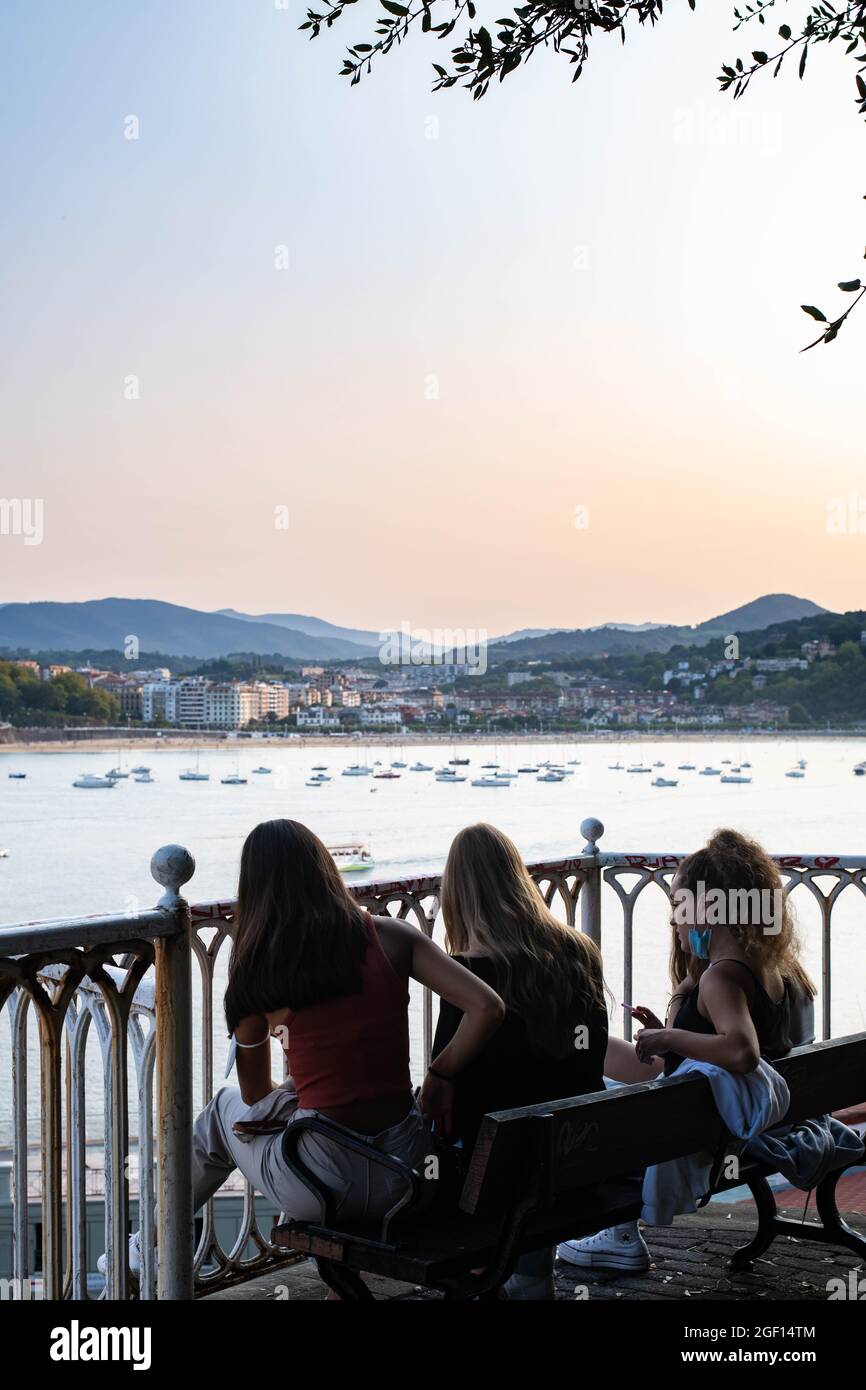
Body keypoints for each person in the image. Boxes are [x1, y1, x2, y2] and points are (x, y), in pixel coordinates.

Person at [103, 818, 505, 1288]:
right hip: (408, 1178)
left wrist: (297, 1090)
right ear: (325, 870)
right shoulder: (394, 938)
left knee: (219, 1113)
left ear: (254, 890)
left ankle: (146, 1245)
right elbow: (487, 1007)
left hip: (319, 1187)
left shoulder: (259, 972)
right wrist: (440, 1074)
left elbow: (255, 1095)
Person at [558, 827, 816, 1273]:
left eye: (678, 906)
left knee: (580, 1091)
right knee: (590, 1050)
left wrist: (669, 1037)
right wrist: (675, 1012)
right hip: (710, 1115)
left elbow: (742, 1052)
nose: (673, 921)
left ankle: (617, 1233)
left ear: (709, 909)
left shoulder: (721, 977)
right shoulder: (773, 971)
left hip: (701, 1127)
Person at [428, 823, 609, 1299]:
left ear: (457, 894)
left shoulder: (467, 974)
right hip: (578, 1159)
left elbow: (447, 1088)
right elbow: (588, 1061)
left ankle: (494, 1277)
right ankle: (529, 1280)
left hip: (499, 1177)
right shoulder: (579, 952)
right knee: (530, 1127)